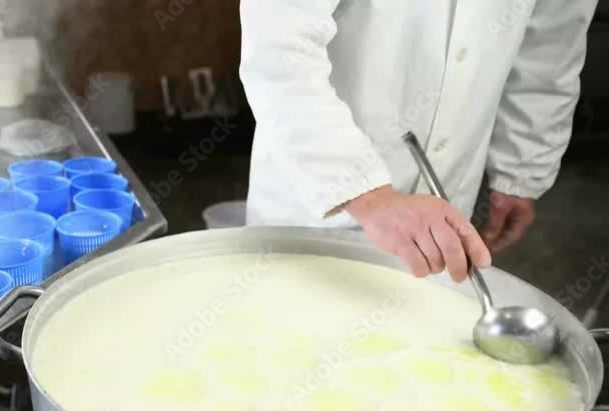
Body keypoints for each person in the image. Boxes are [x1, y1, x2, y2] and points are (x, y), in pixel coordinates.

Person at [240, 0, 598, 282]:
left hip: (447, 202)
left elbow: (550, 44)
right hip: (313, 204)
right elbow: (278, 50)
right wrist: (369, 196)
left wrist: (523, 169)